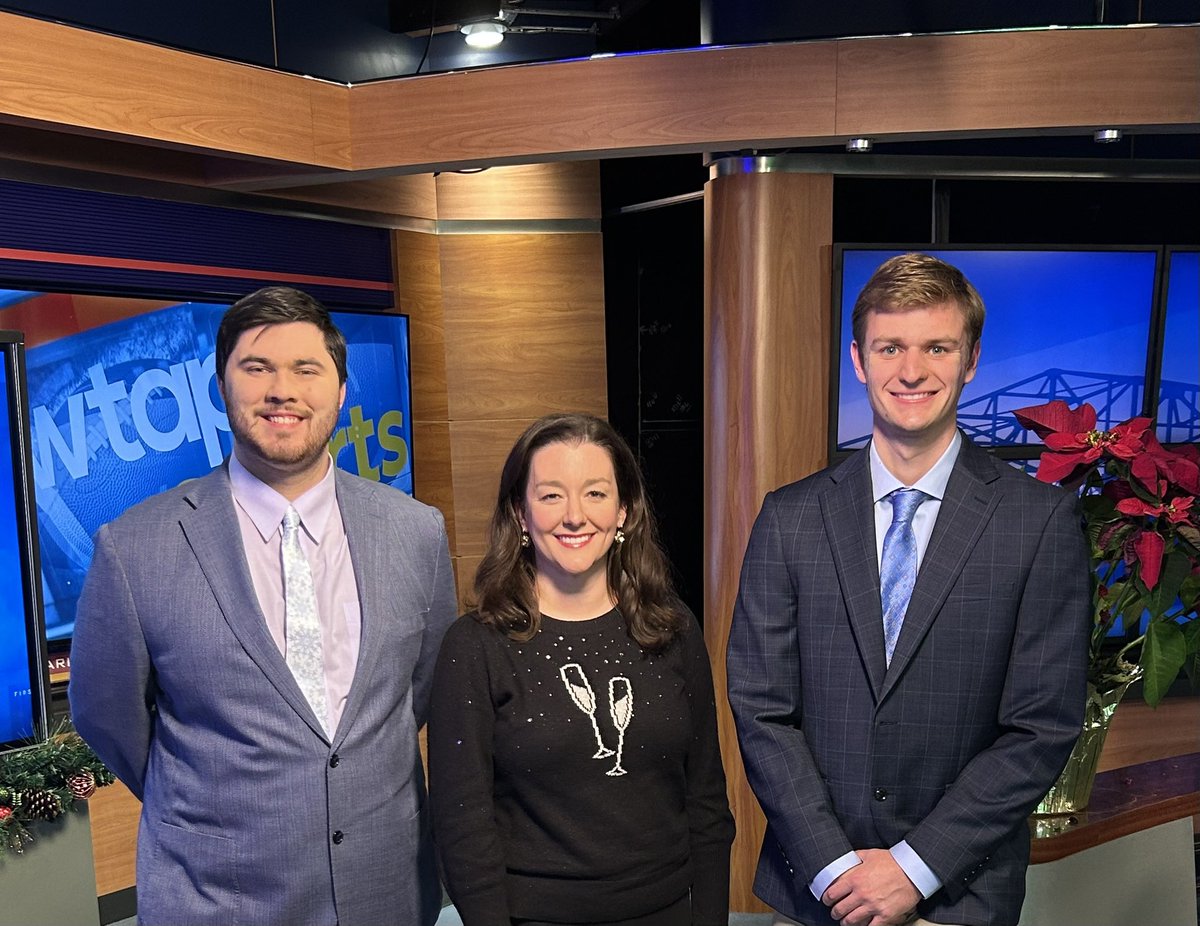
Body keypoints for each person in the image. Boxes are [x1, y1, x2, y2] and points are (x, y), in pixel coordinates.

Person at [69, 286, 457, 926]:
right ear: (220, 387)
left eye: (307, 369)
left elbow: (418, 691)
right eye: (257, 368)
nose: (283, 391)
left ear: (340, 390)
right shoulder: (134, 547)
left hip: (384, 888)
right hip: (220, 898)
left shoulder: (415, 531)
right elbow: (107, 715)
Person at [727, 253, 1090, 926]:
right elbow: (761, 708)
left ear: (971, 359)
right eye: (890, 347)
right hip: (817, 896)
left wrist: (913, 868)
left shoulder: (1039, 523)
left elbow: (1041, 726)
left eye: (937, 348)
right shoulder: (789, 517)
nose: (912, 371)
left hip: (958, 898)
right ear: (859, 360)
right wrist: (837, 870)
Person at [428, 413, 734, 926]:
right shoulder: (475, 646)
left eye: (595, 493)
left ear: (624, 511)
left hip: (669, 912)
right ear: (520, 514)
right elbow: (462, 829)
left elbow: (707, 802)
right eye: (551, 495)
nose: (575, 516)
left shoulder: (673, 627)